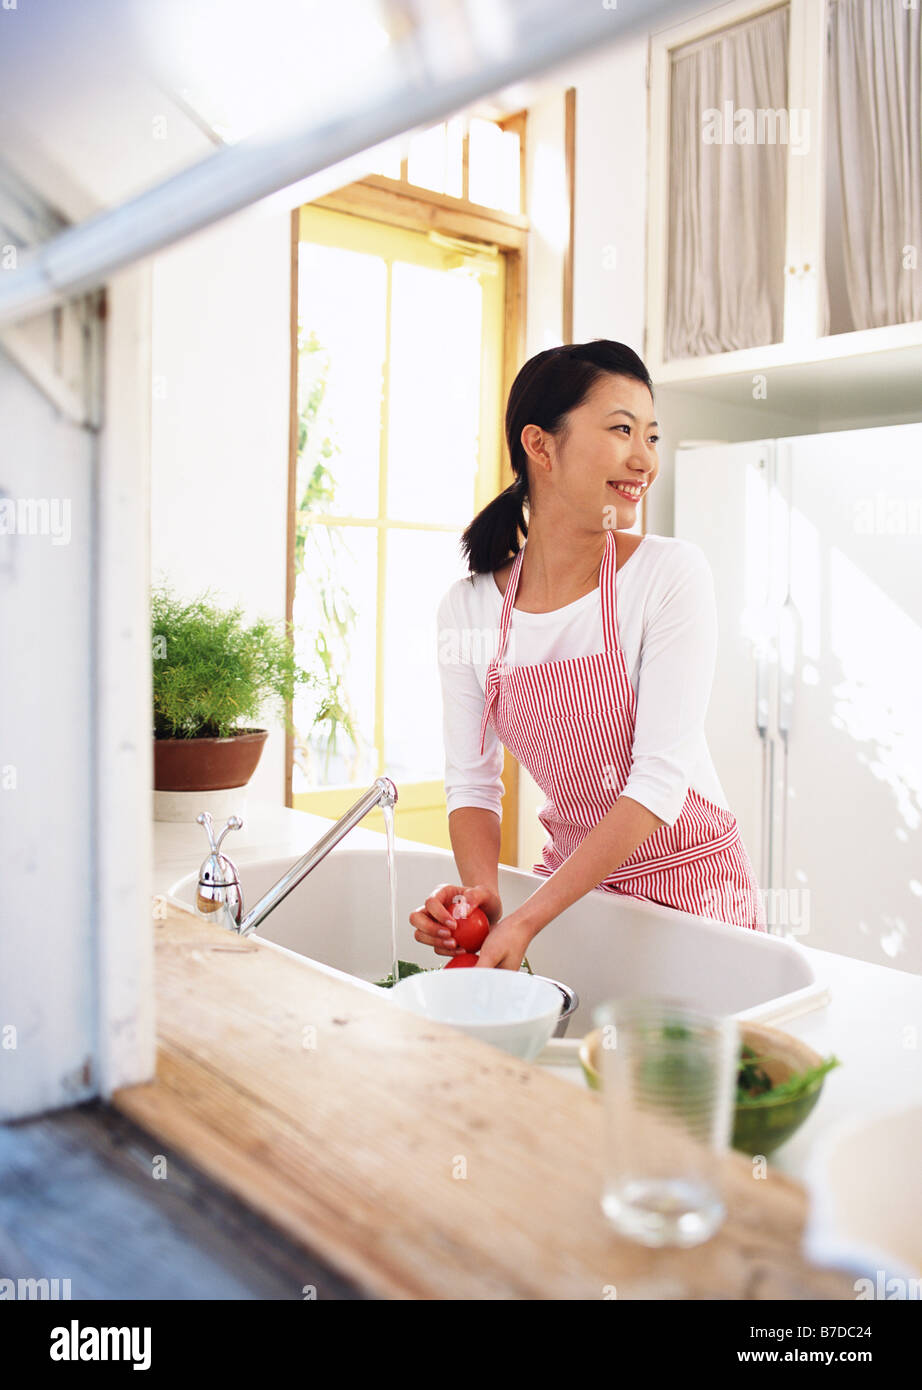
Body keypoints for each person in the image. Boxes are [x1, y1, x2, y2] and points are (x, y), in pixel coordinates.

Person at [410, 340, 766, 970]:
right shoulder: (466, 610)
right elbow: (472, 781)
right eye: (621, 429)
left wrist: (526, 917)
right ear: (541, 446)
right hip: (577, 897)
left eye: (651, 436)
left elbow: (658, 780)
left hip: (692, 902)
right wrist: (481, 897)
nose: (644, 459)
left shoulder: (668, 575)